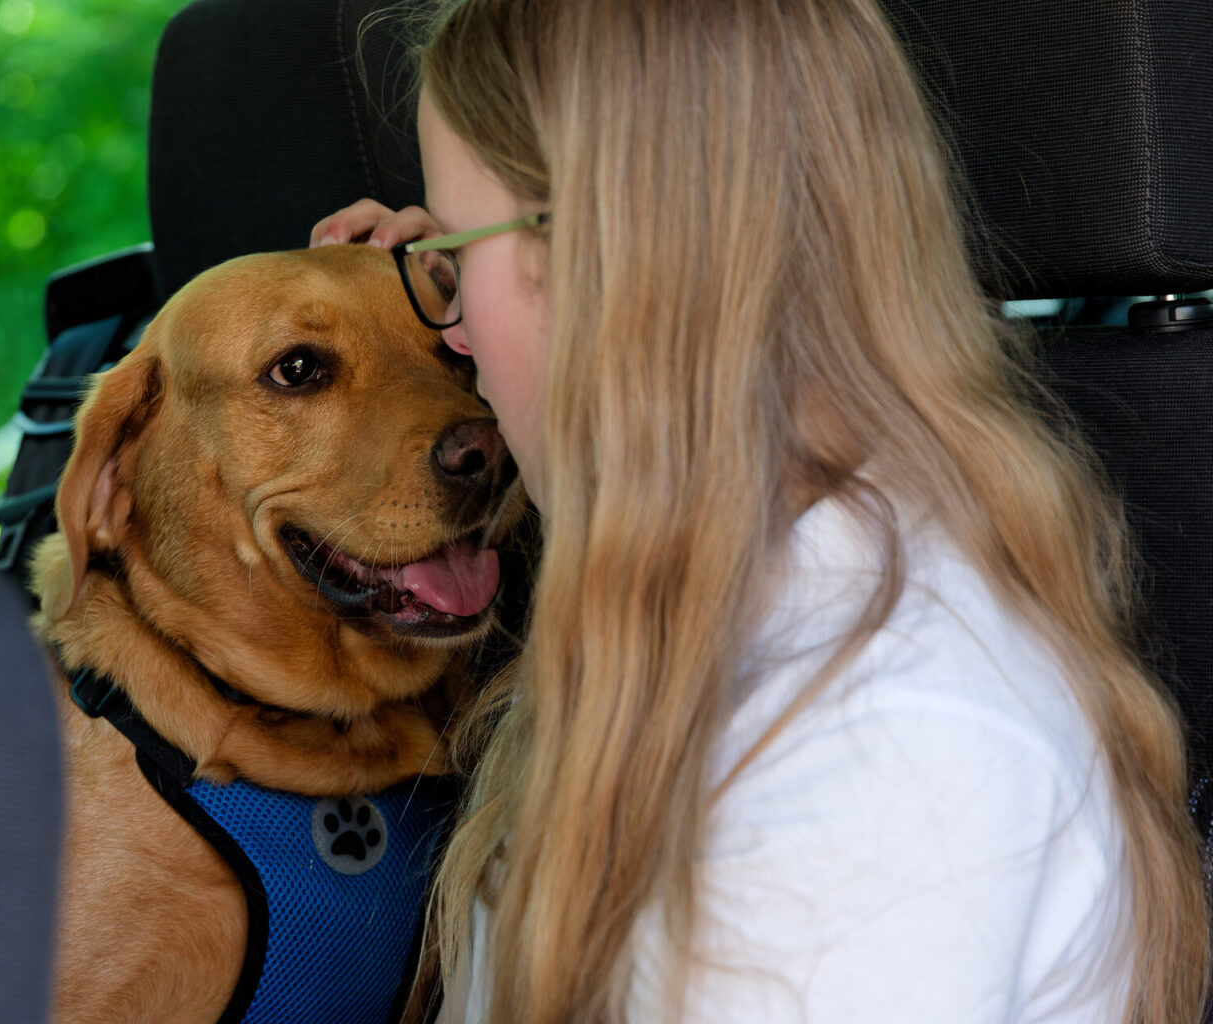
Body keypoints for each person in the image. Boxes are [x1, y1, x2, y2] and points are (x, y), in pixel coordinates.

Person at [310, 1, 1209, 1021]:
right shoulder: (711, 606)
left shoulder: (886, 759)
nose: (454, 334)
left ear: (603, 264)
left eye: (454, 257)